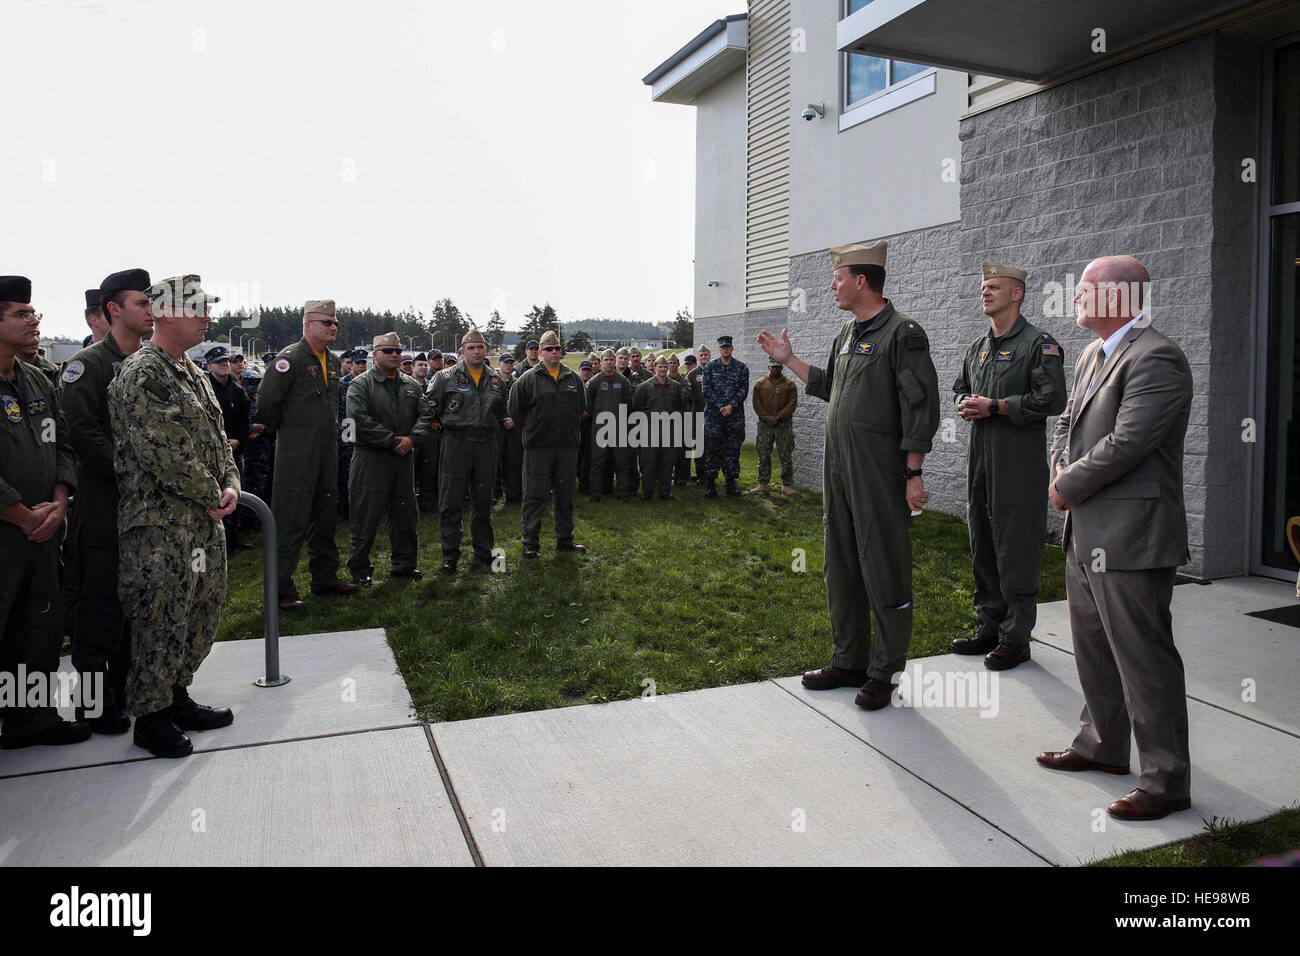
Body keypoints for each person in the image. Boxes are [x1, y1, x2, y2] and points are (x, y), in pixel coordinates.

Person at [1038, 255, 1193, 822]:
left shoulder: (1158, 358)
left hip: (1132, 536)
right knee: (1094, 649)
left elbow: (1130, 442)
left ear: (1117, 296)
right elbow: (1067, 421)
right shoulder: (1089, 355)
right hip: (1087, 531)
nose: (1074, 297)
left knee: (1142, 658)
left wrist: (1064, 488)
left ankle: (1166, 780)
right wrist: (1059, 468)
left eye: (1083, 289)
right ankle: (1102, 747)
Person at [758, 240, 940, 710]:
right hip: (839, 472)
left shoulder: (904, 334)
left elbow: (919, 409)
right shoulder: (845, 334)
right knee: (840, 564)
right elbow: (829, 386)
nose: (832, 285)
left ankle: (884, 670)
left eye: (838, 278)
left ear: (861, 281)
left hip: (879, 474)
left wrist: (912, 473)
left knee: (884, 566)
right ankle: (849, 659)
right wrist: (788, 359)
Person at [108, 274, 239, 759]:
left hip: (204, 521)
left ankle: (177, 696)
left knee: (200, 613)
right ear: (165, 313)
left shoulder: (194, 373)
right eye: (197, 307)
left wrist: (230, 485)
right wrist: (212, 491)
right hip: (161, 530)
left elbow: (218, 444)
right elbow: (165, 451)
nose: (207, 316)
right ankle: (150, 716)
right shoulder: (144, 373)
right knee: (159, 618)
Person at [952, 261, 1067, 670]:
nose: (985, 292)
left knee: (1015, 545)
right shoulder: (977, 346)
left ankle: (1017, 638)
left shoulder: (1039, 344)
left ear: (1016, 294)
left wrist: (997, 406)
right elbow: (960, 386)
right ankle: (990, 625)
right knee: (982, 540)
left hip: (1017, 466)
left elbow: (1052, 400)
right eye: (983, 287)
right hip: (980, 462)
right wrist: (964, 403)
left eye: (994, 287)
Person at [59, 268, 155, 734]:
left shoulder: (152, 362)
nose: (152, 310)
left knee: (136, 602)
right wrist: (134, 473)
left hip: (142, 507)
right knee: (100, 606)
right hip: (103, 505)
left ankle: (126, 688)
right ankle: (93, 703)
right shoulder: (88, 365)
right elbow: (82, 434)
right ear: (113, 309)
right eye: (142, 302)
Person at [0, 276, 90, 749]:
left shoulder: (35, 378)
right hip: (9, 529)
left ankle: (28, 718)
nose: (34, 320)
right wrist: (19, 514)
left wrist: (58, 502)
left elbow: (63, 445)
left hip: (42, 529)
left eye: (34, 313)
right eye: (21, 313)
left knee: (38, 627)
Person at [255, 300, 358, 610]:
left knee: (325, 515)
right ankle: (280, 588)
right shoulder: (289, 359)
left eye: (335, 323)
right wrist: (290, 432)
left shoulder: (331, 360)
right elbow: (267, 404)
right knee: (290, 519)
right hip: (297, 450)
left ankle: (324, 578)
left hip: (326, 448)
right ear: (307, 325)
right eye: (326, 322)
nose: (333, 327)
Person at [345, 332, 434, 583]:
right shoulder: (361, 384)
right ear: (375, 356)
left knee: (406, 514)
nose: (395, 355)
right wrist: (393, 441)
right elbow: (357, 420)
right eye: (388, 351)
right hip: (371, 457)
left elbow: (426, 415)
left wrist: (411, 439)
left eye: (397, 350)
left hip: (403, 458)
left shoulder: (411, 385)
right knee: (366, 516)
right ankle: (360, 568)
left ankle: (404, 565)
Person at [425, 329, 512, 573]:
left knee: (483, 501)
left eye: (480, 347)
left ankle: (484, 551)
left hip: (486, 443)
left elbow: (500, 410)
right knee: (451, 501)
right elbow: (429, 408)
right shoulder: (445, 376)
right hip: (456, 442)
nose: (476, 352)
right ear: (462, 351)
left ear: (486, 350)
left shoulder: (495, 379)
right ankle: (449, 555)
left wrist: (504, 420)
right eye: (471, 348)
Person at [508, 329, 587, 557]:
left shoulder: (572, 378)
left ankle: (565, 540)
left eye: (557, 349)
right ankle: (530, 544)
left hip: (566, 447)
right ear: (540, 352)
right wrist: (535, 431)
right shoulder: (526, 380)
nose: (554, 352)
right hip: (538, 448)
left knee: (565, 496)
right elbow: (515, 410)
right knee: (534, 496)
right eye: (549, 349)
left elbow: (579, 408)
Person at [205, 344, 253, 550]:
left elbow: (246, 421)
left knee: (234, 493)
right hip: (211, 451)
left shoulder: (238, 391)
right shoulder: (204, 389)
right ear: (209, 367)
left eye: (226, 361)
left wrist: (239, 440)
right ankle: (214, 541)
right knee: (213, 498)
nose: (224, 365)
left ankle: (233, 538)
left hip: (234, 451)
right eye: (219, 362)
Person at [632, 355, 687, 500]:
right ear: (654, 368)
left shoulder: (676, 387)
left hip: (669, 431)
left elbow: (680, 407)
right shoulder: (644, 387)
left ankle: (666, 492)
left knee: (667, 463)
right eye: (660, 367)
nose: (662, 369)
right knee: (649, 463)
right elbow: (636, 408)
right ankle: (647, 493)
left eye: (665, 367)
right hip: (649, 432)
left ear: (667, 368)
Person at [701, 335, 749, 497]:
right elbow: (706, 390)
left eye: (728, 347)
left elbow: (743, 391)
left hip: (734, 418)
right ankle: (710, 484)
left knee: (732, 451)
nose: (725, 349)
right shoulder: (710, 367)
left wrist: (731, 406)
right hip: (714, 417)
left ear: (732, 348)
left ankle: (731, 483)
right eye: (723, 347)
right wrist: (721, 406)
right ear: (719, 349)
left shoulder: (742, 368)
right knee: (713, 450)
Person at [586, 348, 635, 502]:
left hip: (620, 427)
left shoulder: (623, 381)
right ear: (600, 362)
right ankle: (595, 493)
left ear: (615, 362)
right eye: (605, 360)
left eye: (611, 359)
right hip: (600, 428)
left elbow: (629, 404)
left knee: (622, 461)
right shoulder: (594, 382)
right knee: (598, 461)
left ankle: (624, 493)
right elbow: (589, 404)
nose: (609, 362)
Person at [750, 357, 798, 495]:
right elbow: (756, 403)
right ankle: (763, 483)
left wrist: (779, 417)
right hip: (765, 425)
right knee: (764, 453)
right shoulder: (760, 384)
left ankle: (786, 484)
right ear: (768, 367)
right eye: (773, 366)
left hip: (783, 425)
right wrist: (767, 417)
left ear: (782, 367)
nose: (775, 369)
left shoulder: (790, 385)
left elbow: (792, 404)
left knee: (785, 454)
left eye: (778, 367)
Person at [494, 352, 524, 503]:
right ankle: (495, 493)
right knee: (495, 461)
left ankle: (513, 494)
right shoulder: (491, 381)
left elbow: (523, 405)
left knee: (513, 461)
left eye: (511, 363)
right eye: (506, 362)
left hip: (514, 428)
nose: (509, 365)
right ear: (499, 364)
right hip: (496, 427)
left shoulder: (518, 382)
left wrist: (514, 419)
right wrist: (500, 419)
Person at [684, 353, 704, 482]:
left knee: (701, 447)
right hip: (691, 415)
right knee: (691, 446)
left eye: (690, 364)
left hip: (704, 414)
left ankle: (702, 474)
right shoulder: (688, 377)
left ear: (695, 364)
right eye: (686, 364)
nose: (687, 366)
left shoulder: (697, 375)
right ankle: (687, 474)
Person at [577, 359, 595, 493]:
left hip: (589, 425)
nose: (586, 373)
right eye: (583, 370)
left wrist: (586, 413)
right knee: (575, 456)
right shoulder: (573, 384)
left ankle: (585, 484)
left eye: (588, 370)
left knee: (588, 456)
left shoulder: (594, 385)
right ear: (579, 371)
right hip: (574, 426)